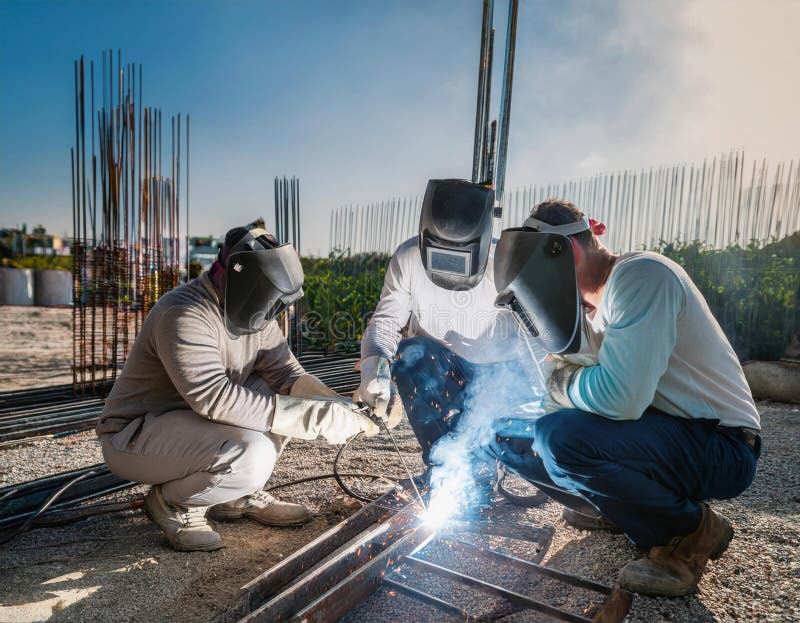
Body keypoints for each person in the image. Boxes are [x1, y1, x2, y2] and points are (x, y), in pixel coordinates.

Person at [484, 198, 762, 596]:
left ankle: (689, 534)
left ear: (569, 253)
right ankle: (618, 510)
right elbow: (576, 395)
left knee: (559, 438)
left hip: (722, 445)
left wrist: (558, 385)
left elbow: (619, 399)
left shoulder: (642, 277)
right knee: (510, 435)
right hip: (668, 432)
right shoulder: (595, 312)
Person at [97, 223, 377, 552]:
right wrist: (313, 419)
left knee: (282, 395)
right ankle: (173, 503)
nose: (273, 312)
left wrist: (340, 406)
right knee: (253, 455)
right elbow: (213, 398)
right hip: (138, 434)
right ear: (238, 279)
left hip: (195, 426)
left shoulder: (253, 313)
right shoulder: (184, 313)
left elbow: (287, 375)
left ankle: (234, 495)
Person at [355, 179, 535, 505]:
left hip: (501, 377)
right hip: (443, 368)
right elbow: (385, 320)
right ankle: (444, 470)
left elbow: (535, 344)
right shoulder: (409, 257)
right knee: (411, 354)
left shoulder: (508, 263)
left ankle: (485, 464)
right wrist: (375, 366)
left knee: (524, 453)